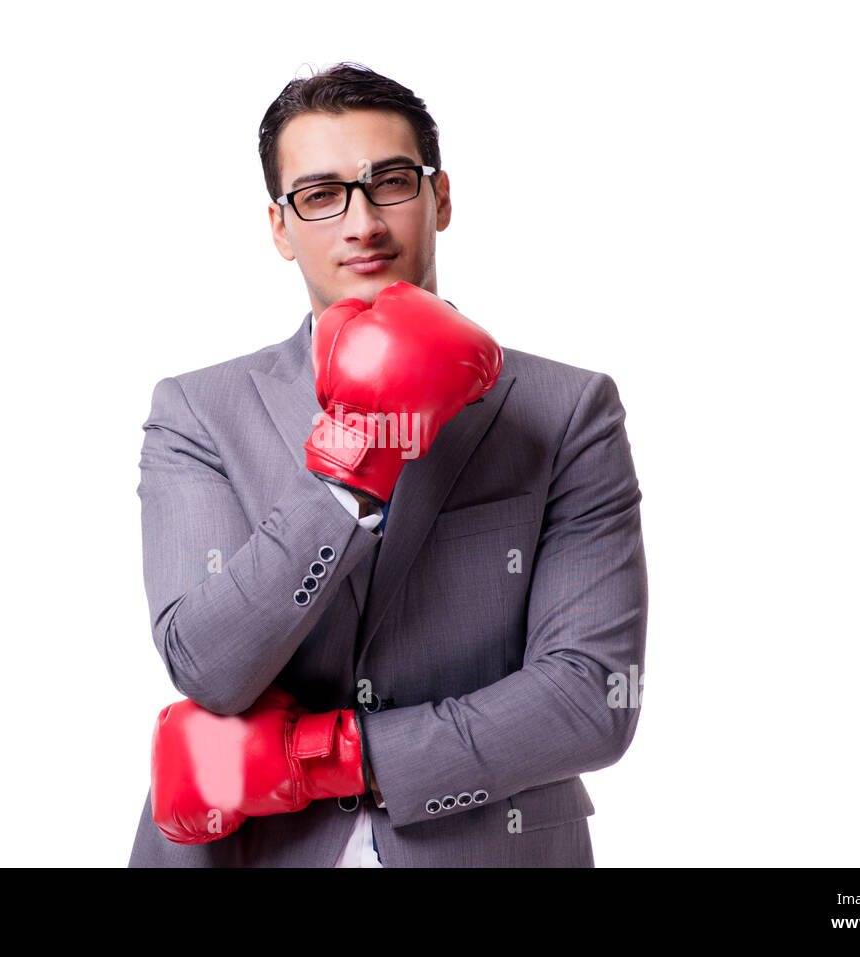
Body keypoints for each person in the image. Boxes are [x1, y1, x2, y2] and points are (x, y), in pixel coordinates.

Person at [127, 62, 647, 867]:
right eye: (320, 194)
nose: (361, 222)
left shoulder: (568, 409)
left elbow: (589, 699)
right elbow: (209, 666)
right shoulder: (199, 411)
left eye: (390, 182)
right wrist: (350, 462)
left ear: (441, 198)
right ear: (278, 226)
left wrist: (328, 756)